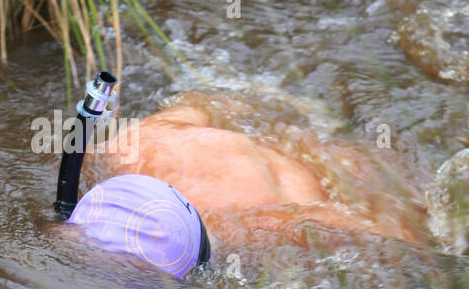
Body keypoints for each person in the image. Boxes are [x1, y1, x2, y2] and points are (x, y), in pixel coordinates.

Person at [67, 90, 427, 278]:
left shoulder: (252, 225)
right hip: (298, 139)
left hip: (350, 167)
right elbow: (202, 103)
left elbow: (400, 242)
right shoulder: (128, 146)